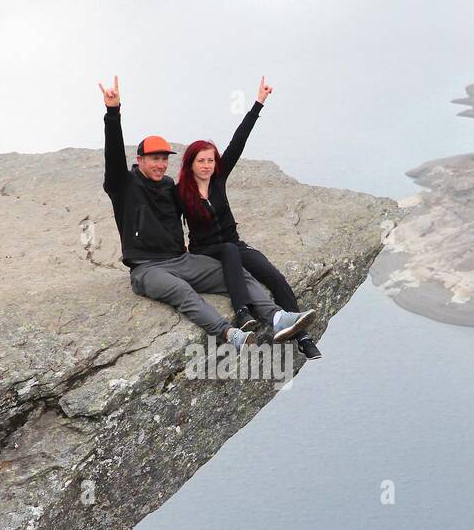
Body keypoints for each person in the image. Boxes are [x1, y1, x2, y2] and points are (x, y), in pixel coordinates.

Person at [100, 75, 279, 349]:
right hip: (146, 268)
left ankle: (275, 316)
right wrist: (113, 112)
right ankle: (230, 333)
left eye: (164, 159)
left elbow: (207, 189)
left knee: (235, 273)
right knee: (183, 293)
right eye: (154, 159)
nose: (160, 164)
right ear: (140, 160)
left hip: (181, 261)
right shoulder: (123, 186)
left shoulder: (170, 185)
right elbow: (113, 154)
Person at [176, 76, 321, 359]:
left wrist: (258, 103)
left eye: (210, 160)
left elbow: (238, 141)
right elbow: (170, 222)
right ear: (190, 164)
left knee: (273, 276)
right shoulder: (180, 192)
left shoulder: (218, 180)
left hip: (233, 244)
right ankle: (243, 313)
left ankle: (302, 335)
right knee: (229, 251)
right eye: (201, 160)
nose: (207, 165)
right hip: (205, 251)